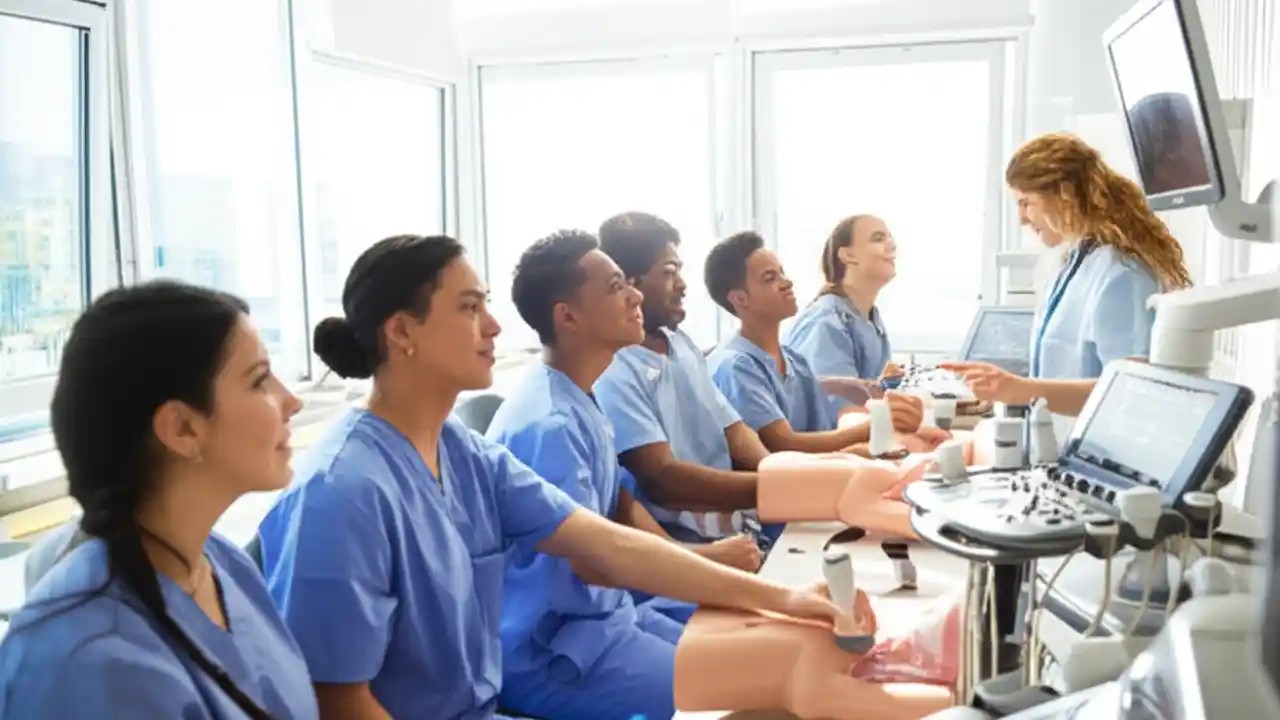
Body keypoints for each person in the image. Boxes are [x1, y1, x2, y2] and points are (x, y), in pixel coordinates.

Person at [256, 234, 843, 720]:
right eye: (468, 308)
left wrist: (784, 595)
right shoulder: (342, 492)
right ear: (401, 333)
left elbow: (603, 540)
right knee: (773, 694)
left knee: (793, 663)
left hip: (522, 676)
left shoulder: (459, 450)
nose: (492, 326)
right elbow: (334, 699)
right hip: (551, 659)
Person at [0, 281, 315, 720]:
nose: (292, 400)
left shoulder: (224, 565)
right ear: (183, 429)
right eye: (259, 380)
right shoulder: (87, 662)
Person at [486, 230, 763, 720]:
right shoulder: (550, 423)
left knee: (760, 645)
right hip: (553, 650)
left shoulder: (579, 398)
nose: (636, 295)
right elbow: (595, 561)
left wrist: (709, 564)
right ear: (566, 316)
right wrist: (714, 565)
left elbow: (617, 505)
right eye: (617, 287)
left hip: (606, 618)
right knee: (752, 694)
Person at [592, 212, 778, 545]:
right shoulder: (613, 370)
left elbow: (733, 430)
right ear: (629, 284)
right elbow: (664, 480)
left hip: (738, 522)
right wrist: (782, 487)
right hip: (684, 541)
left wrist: (782, 475)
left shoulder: (681, 344)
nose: (682, 284)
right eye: (669, 272)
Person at [704, 231, 948, 455]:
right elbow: (781, 444)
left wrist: (905, 433)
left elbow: (822, 435)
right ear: (739, 298)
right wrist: (875, 428)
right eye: (770, 278)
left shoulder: (794, 362)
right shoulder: (736, 366)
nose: (786, 282)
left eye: (782, 272)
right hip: (770, 493)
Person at [1006, 132, 1192, 381]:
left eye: (1026, 202)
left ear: (1064, 194)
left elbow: (1127, 387)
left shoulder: (1123, 275)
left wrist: (1023, 391)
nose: (1022, 219)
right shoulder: (1074, 263)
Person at [784, 214, 900, 383]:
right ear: (848, 255)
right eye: (878, 238)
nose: (892, 244)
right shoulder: (825, 321)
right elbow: (833, 403)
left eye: (890, 237)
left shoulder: (870, 319)